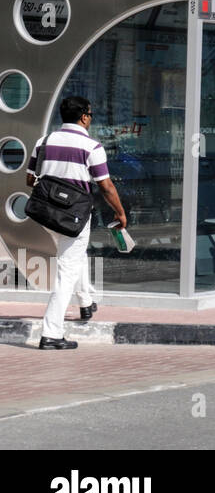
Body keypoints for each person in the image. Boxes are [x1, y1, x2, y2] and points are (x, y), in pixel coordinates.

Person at [26, 95, 128, 350]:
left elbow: (30, 180)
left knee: (73, 256)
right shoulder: (92, 147)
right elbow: (106, 186)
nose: (90, 119)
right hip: (74, 218)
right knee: (66, 271)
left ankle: (85, 303)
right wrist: (120, 213)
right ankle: (51, 333)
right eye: (90, 115)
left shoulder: (43, 142)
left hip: (47, 216)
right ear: (84, 116)